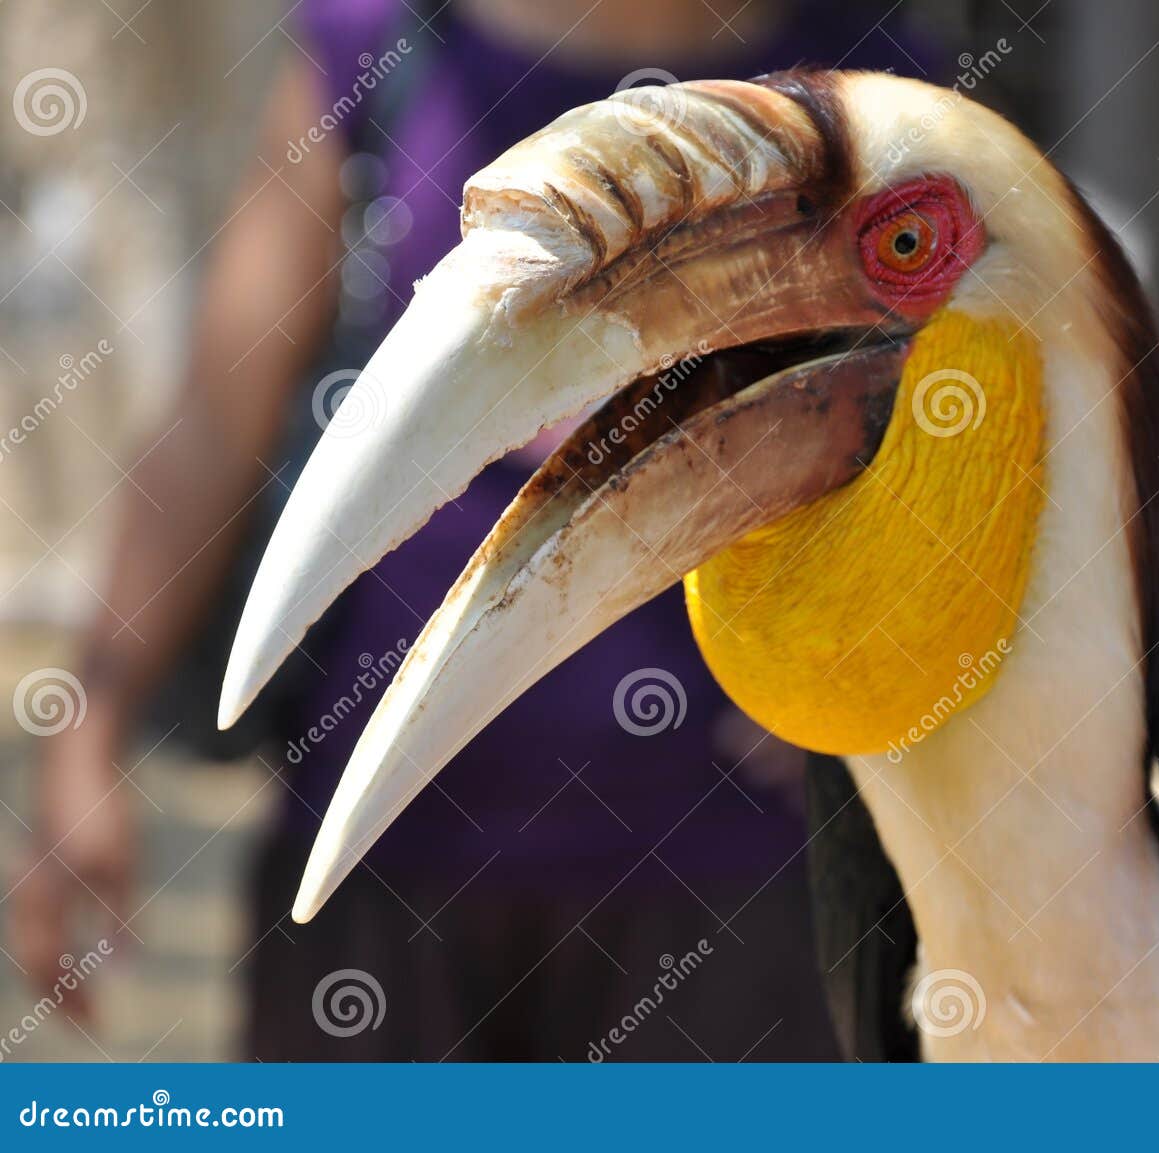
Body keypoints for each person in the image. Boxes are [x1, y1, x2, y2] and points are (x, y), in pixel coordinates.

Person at [13, 0, 939, 1059]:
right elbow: (220, 405)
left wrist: (875, 666)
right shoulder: (383, 47)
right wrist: (92, 715)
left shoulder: (873, 77)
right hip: (382, 850)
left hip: (738, 875)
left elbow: (965, 422)